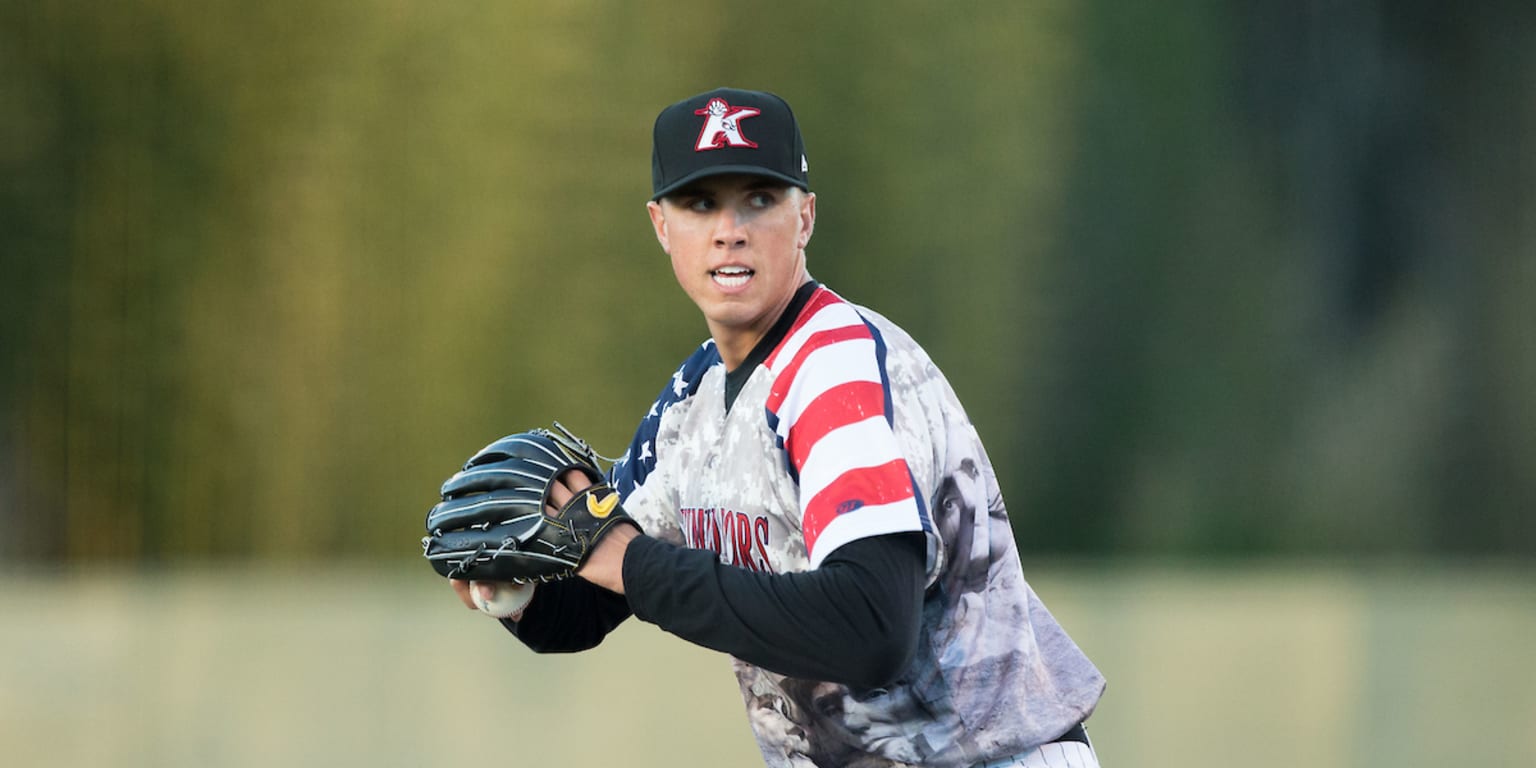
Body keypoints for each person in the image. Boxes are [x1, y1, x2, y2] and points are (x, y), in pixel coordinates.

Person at [446, 87, 1107, 768]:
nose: (729, 228)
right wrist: (517, 586)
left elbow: (870, 629)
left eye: (759, 198)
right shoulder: (690, 401)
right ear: (660, 225)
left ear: (805, 218)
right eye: (699, 203)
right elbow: (590, 603)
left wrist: (626, 559)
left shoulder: (834, 372)